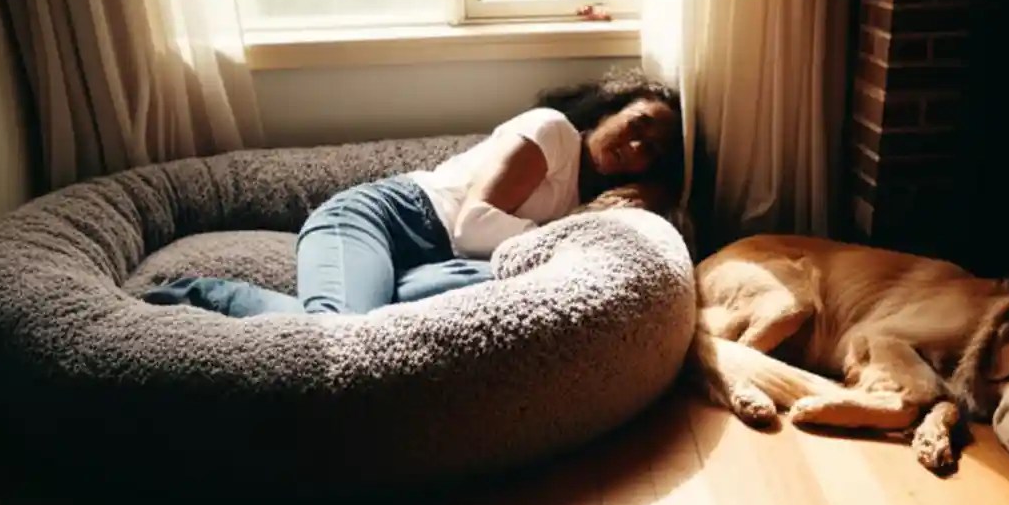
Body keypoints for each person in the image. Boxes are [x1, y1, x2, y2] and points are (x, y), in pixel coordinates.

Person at [142, 68, 682, 317]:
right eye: (637, 124)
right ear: (609, 109)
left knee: (486, 295)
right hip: (382, 221)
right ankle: (208, 294)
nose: (636, 146)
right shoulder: (552, 132)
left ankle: (342, 304)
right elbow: (473, 226)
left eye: (653, 151)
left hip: (432, 263)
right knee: (341, 335)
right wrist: (568, 228)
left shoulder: (591, 200)